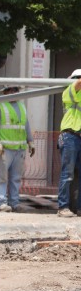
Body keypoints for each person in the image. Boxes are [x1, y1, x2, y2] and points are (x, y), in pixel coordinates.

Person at [0, 84, 34, 212]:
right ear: (5, 92)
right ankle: (1, 203)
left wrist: (30, 141)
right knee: (2, 176)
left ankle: (14, 203)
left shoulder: (22, 106)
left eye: (16, 90)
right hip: (5, 148)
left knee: (16, 178)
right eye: (11, 90)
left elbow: (26, 124)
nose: (14, 92)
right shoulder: (0, 105)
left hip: (19, 147)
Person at [56, 69, 81, 217]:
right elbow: (78, 83)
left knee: (78, 175)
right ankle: (63, 207)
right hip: (70, 135)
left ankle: (78, 207)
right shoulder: (68, 91)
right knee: (68, 174)